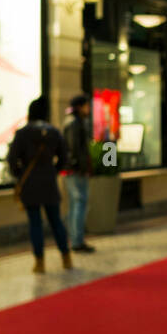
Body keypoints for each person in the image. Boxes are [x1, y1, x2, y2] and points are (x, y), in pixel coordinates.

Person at [7, 96, 73, 274]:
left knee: (35, 223)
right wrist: (53, 171)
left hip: (30, 184)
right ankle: (66, 257)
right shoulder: (54, 132)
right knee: (56, 221)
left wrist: (20, 175)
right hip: (49, 183)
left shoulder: (23, 133)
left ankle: (39, 262)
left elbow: (12, 160)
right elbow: (64, 158)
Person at [63, 93, 95, 253]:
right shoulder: (76, 123)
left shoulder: (70, 121)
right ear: (81, 107)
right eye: (87, 105)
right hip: (76, 170)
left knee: (75, 204)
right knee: (80, 203)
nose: (89, 109)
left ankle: (75, 238)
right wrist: (82, 168)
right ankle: (77, 240)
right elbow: (76, 148)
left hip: (71, 169)